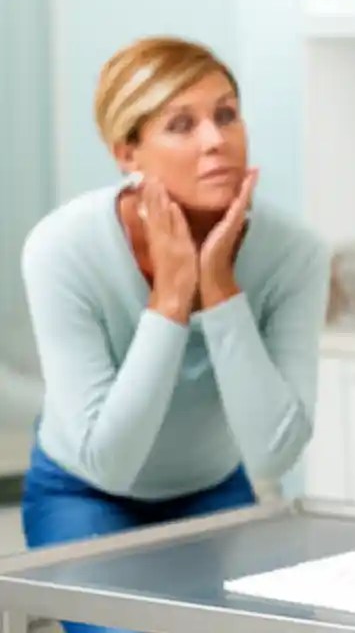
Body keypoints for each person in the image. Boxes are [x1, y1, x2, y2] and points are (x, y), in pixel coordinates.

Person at [20, 37, 330, 632]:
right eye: (181, 125)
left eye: (226, 114)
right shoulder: (62, 249)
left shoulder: (294, 254)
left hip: (213, 490)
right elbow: (109, 463)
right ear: (127, 153)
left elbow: (274, 452)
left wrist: (218, 289)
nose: (215, 139)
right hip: (85, 493)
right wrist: (169, 298)